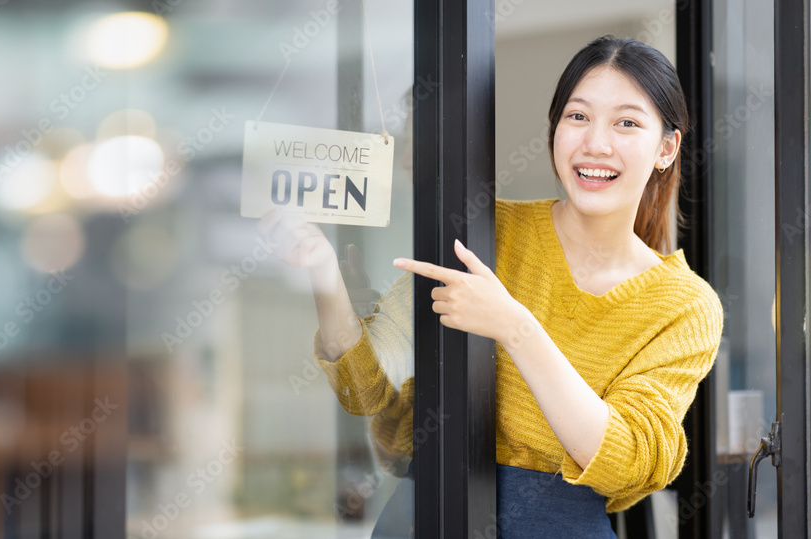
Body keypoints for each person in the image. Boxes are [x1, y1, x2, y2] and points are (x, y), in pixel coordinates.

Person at [260, 35, 723, 539]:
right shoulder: (485, 231)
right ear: (554, 130)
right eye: (578, 116)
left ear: (666, 148)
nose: (596, 143)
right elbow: (367, 388)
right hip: (427, 519)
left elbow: (627, 460)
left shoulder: (684, 305)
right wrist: (323, 274)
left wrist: (516, 327)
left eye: (627, 123)